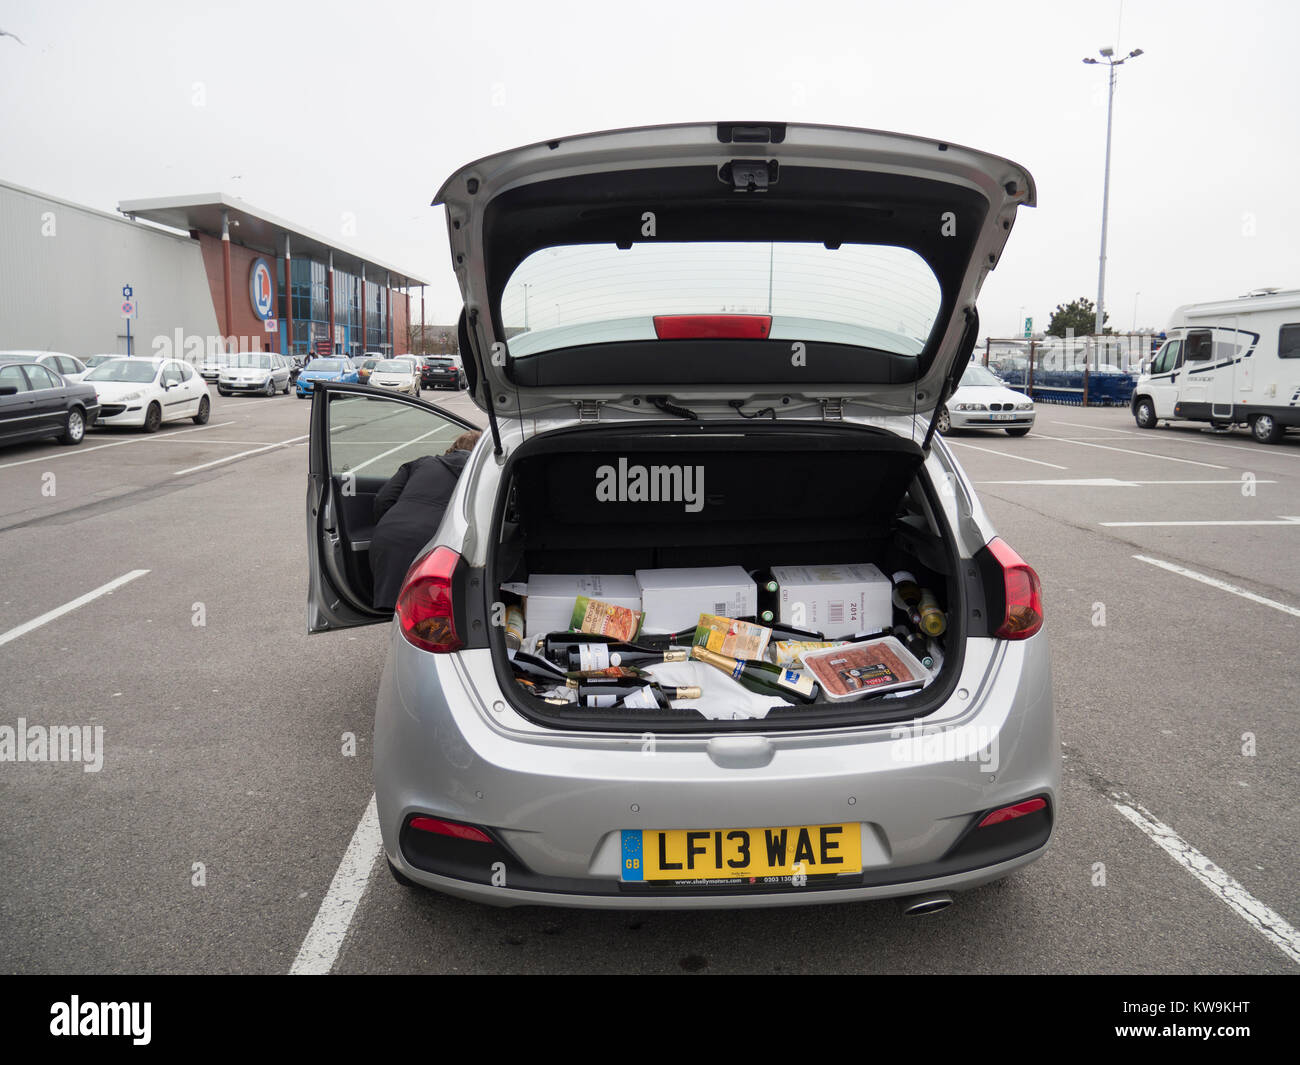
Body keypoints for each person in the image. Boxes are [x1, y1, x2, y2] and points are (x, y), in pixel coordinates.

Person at [370, 430, 482, 611]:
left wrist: (390, 525)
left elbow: (383, 499)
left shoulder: (422, 463)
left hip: (388, 535)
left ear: (452, 449)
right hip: (432, 542)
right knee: (426, 616)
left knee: (394, 610)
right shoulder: (478, 476)